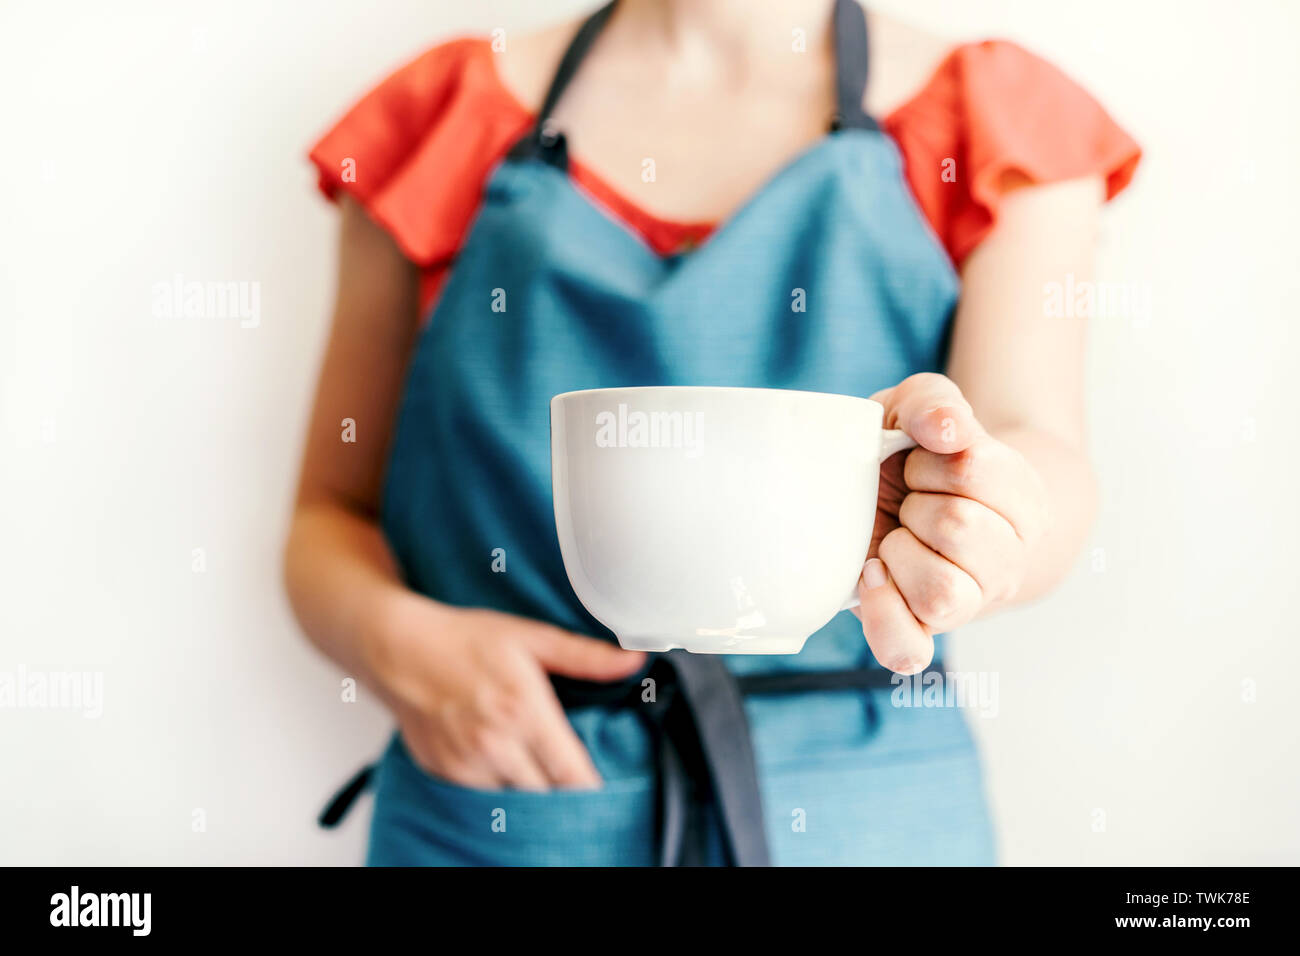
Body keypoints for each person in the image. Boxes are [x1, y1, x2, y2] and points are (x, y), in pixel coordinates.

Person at [285, 0, 1140, 865]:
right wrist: (397, 648)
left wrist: (991, 520)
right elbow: (328, 515)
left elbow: (1038, 443)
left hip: (869, 819)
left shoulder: (995, 119)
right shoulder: (437, 116)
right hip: (505, 803)